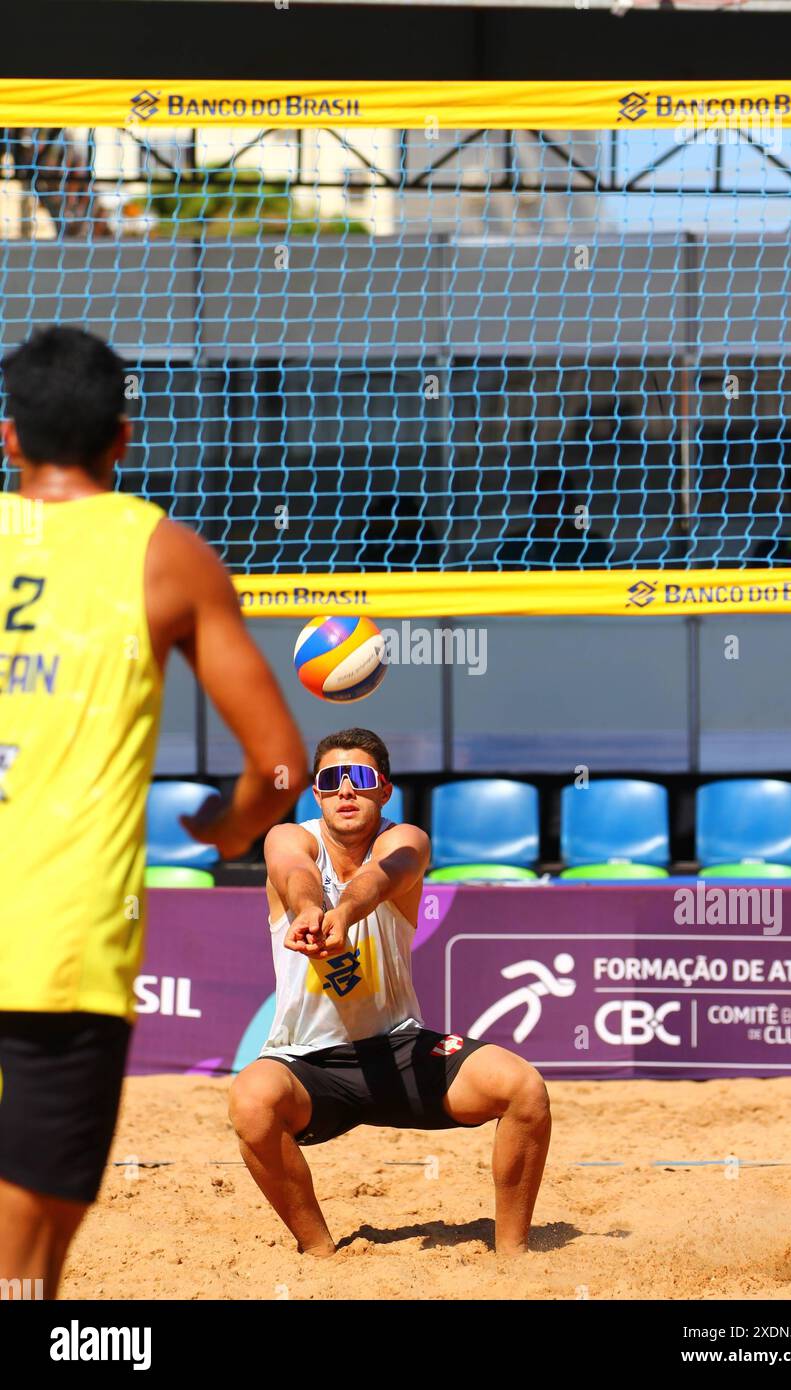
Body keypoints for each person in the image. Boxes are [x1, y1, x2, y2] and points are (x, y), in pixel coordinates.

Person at [0, 325, 308, 1299]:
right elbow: (279, 766)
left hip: (56, 946)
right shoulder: (165, 555)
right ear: (123, 437)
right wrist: (226, 827)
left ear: (8, 439)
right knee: (28, 1263)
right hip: (62, 943)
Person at [229, 727, 551, 1257]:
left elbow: (382, 877)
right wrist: (310, 911)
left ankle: (513, 1257)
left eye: (360, 779)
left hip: (398, 1049)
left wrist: (342, 916)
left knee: (525, 1091)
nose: (346, 791)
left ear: (384, 790)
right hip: (308, 1062)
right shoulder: (288, 837)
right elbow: (295, 873)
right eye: (332, 780)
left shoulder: (408, 840)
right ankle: (319, 1255)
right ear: (317, 793)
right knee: (250, 1101)